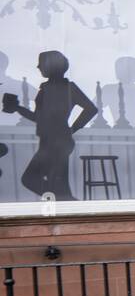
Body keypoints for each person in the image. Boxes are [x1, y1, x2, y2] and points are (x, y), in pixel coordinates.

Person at [1, 50, 96, 201]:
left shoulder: (65, 87)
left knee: (31, 179)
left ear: (50, 65)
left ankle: (65, 202)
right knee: (59, 185)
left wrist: (72, 128)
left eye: (41, 63)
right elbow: (41, 118)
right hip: (53, 140)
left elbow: (91, 109)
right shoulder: (52, 88)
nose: (38, 66)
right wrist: (18, 109)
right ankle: (66, 203)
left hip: (56, 142)